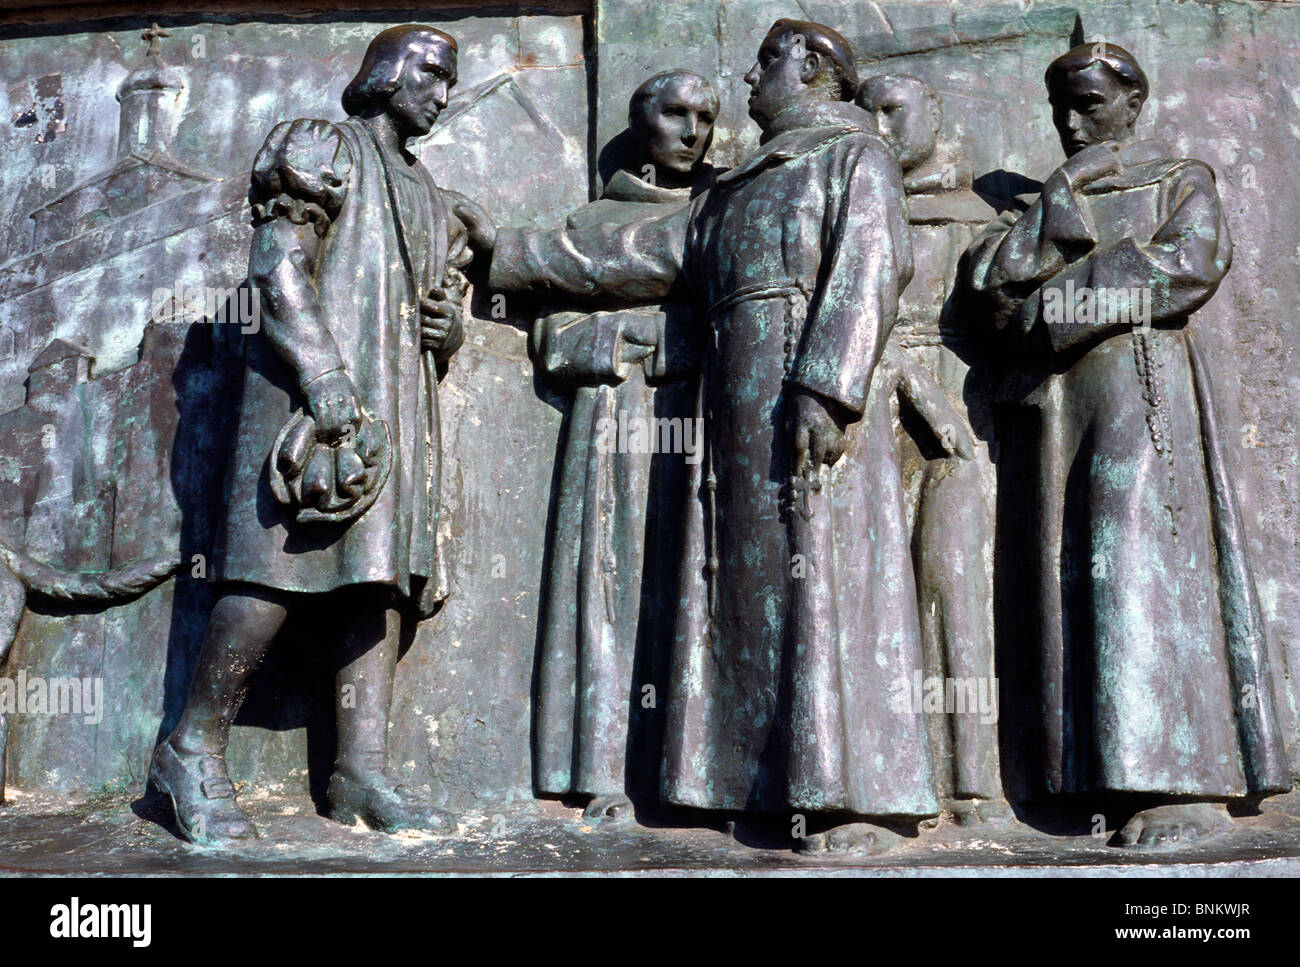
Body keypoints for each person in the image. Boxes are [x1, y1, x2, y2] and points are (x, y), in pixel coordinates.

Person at [464, 19, 938, 854]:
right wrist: (506, 251)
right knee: (739, 590)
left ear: (816, 71)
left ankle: (857, 798)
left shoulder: (852, 158)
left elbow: (869, 270)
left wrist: (826, 390)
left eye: (769, 61)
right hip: (733, 397)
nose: (752, 78)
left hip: (807, 388)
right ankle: (760, 786)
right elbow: (638, 251)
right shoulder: (734, 187)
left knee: (827, 585)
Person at [150, 25, 480, 845]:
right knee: (272, 570)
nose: (441, 93)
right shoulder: (322, 144)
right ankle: (189, 748)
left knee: (378, 581)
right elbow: (277, 265)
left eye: (450, 80)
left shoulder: (430, 192)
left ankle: (359, 771)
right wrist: (326, 376)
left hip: (396, 405)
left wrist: (446, 328)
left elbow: (436, 316)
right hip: (312, 391)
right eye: (432, 75)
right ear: (389, 73)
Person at [962, 42, 1291, 848]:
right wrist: (1060, 203)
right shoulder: (1050, 199)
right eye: (1061, 110)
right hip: (1059, 406)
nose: (1074, 124)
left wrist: (1065, 298)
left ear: (1133, 103)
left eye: (1093, 106)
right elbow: (993, 292)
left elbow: (1189, 262)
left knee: (1143, 561)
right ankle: (1092, 774)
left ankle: (1181, 782)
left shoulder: (1179, 178)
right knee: (1069, 574)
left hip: (1142, 390)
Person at [532, 70, 718, 822]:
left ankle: (703, 772)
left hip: (712, 428)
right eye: (676, 113)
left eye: (706, 116)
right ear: (644, 124)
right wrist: (640, 336)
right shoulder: (593, 224)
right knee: (611, 589)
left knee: (702, 587)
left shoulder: (729, 211)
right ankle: (608, 768)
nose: (692, 129)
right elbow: (553, 339)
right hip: (621, 425)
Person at [857, 73, 1010, 825]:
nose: (878, 123)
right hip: (872, 406)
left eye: (894, 109)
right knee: (872, 597)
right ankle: (889, 780)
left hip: (960, 417)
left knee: (954, 588)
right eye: (866, 109)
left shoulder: (972, 215)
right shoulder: (850, 203)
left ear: (936, 115)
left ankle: (972, 784)